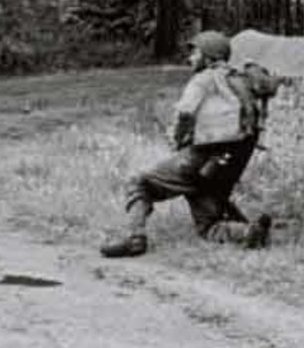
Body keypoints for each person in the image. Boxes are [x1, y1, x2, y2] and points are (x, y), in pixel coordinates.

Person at [99, 31, 275, 258]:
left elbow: (185, 112)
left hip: (201, 157)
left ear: (209, 57)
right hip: (230, 161)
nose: (190, 58)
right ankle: (249, 232)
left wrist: (178, 138)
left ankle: (135, 238)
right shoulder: (241, 79)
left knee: (139, 183)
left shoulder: (204, 79)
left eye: (195, 52)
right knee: (208, 226)